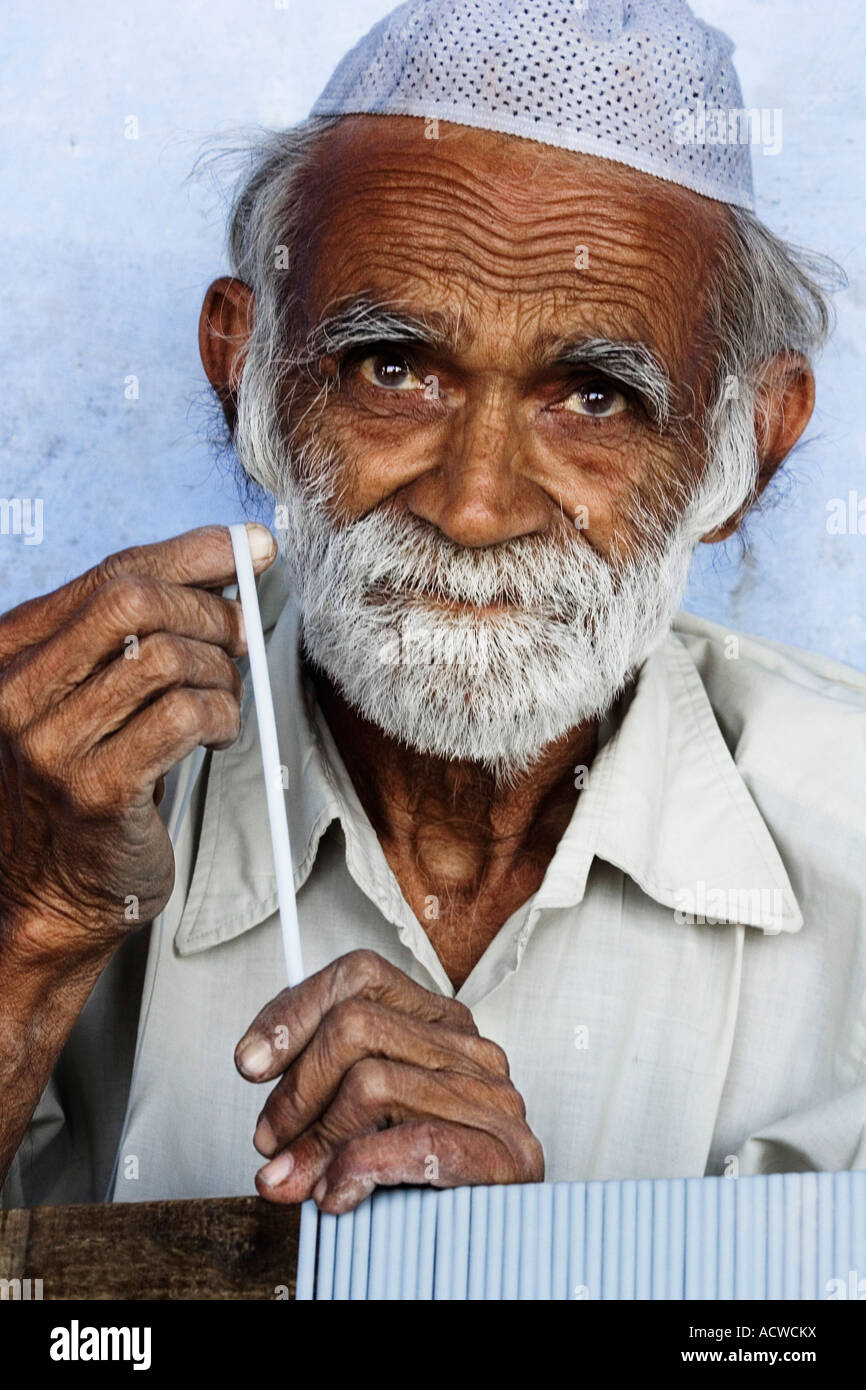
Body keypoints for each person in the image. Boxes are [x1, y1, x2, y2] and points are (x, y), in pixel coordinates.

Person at [1, 0, 863, 1217]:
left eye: (593, 398)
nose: (471, 507)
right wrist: (30, 928)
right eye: (391, 368)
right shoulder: (43, 787)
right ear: (245, 371)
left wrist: (521, 1275)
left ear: (749, 446)